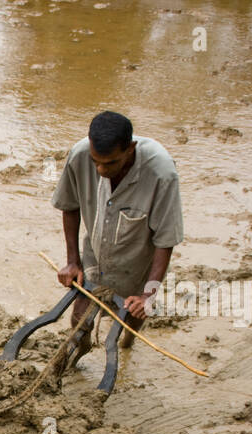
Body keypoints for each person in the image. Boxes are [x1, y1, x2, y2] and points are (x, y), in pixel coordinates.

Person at [51, 111, 183, 356]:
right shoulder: (79, 156)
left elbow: (165, 240)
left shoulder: (161, 174)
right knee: (80, 318)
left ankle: (127, 348)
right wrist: (72, 261)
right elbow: (69, 206)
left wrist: (148, 295)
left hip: (136, 262)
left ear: (130, 149)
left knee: (132, 317)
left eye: (110, 163)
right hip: (96, 253)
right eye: (95, 161)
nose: (100, 169)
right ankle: (79, 354)